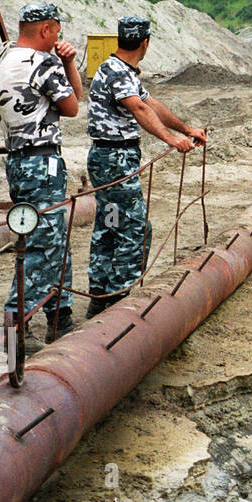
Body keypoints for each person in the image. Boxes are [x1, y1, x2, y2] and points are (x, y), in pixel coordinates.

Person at [85, 16, 207, 318]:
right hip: (115, 161)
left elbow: (151, 104)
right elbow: (138, 108)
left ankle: (99, 298)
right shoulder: (118, 72)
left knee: (110, 224)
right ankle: (119, 302)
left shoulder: (120, 71)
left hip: (108, 159)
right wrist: (172, 140)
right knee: (135, 229)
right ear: (145, 43)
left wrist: (186, 129)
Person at [0, 2, 82, 342]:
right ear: (46, 29)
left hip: (18, 161)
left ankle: (61, 315)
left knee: (52, 239)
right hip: (41, 163)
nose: (58, 38)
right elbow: (72, 106)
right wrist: (67, 62)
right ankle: (17, 322)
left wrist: (66, 62)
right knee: (44, 244)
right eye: (57, 31)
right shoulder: (43, 63)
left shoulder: (6, 60)